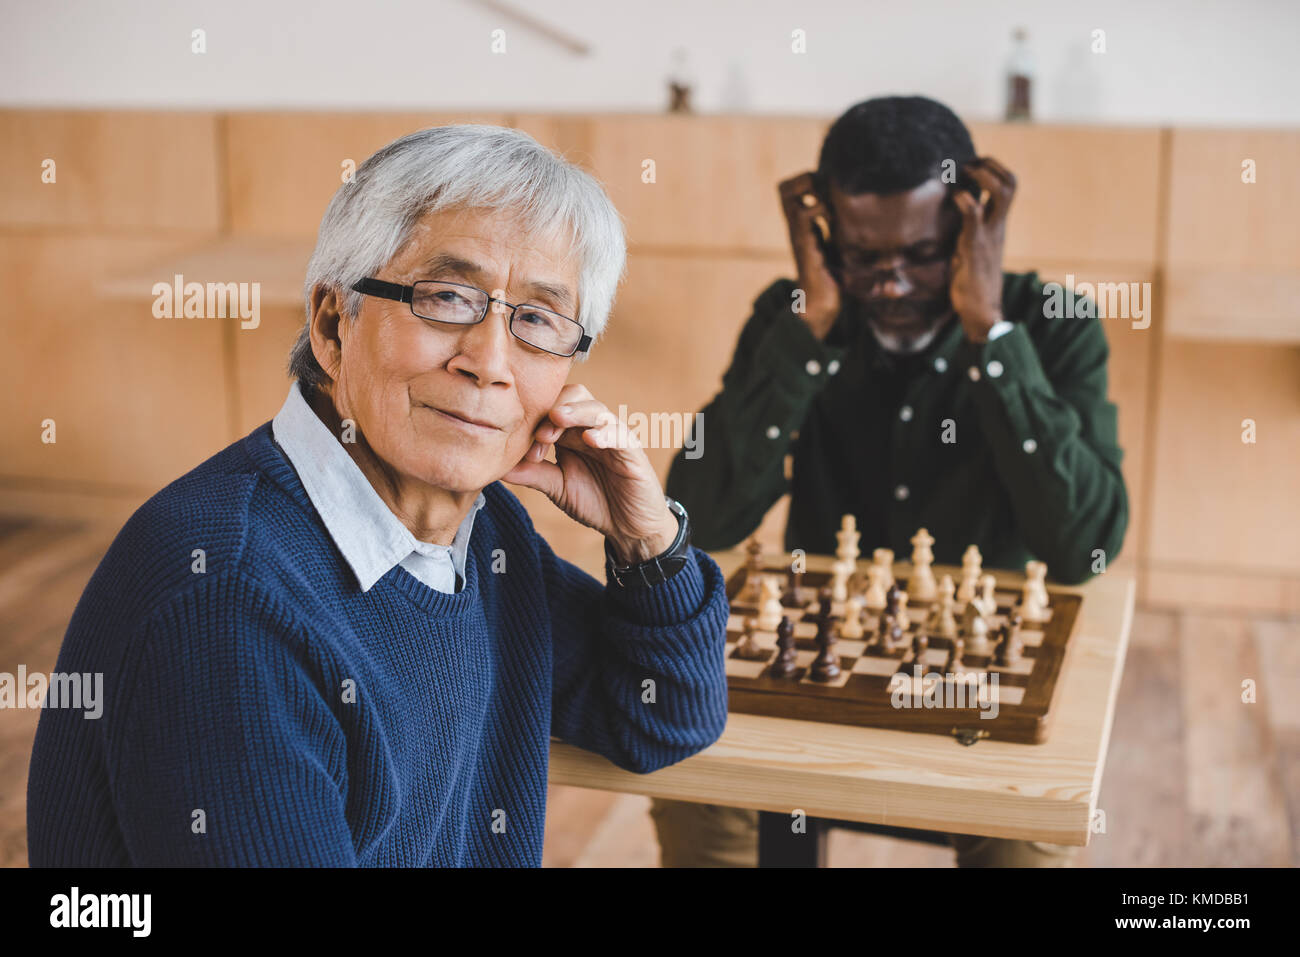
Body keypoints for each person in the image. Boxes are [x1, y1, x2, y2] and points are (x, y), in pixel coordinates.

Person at [27, 125, 730, 867]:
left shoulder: (481, 538)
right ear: (333, 324)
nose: (489, 363)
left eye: (536, 320)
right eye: (448, 298)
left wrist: (647, 541)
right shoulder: (228, 600)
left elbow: (666, 717)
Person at [653, 95, 1128, 867]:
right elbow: (700, 520)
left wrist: (992, 336)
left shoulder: (1052, 323)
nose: (893, 282)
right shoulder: (793, 313)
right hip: (811, 663)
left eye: (922, 253)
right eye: (862, 256)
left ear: (974, 227)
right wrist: (808, 327)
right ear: (825, 234)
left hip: (980, 674)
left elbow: (1085, 550)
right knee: (691, 780)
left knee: (1032, 828)